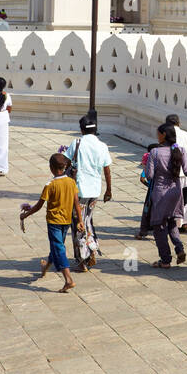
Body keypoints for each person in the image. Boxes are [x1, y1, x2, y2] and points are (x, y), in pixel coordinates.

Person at [19, 153, 83, 294]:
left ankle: (68, 279)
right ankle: (46, 266)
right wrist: (80, 220)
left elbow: (38, 206)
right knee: (57, 245)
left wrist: (26, 214)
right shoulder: (71, 182)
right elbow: (76, 203)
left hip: (53, 222)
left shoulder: (50, 185)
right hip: (66, 221)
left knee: (58, 247)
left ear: (51, 168)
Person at [142, 123, 187, 269]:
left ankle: (165, 259)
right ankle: (179, 248)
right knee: (172, 222)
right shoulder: (180, 150)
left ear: (164, 135)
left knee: (159, 226)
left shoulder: (155, 152)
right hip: (176, 192)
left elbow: (149, 175)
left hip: (161, 193)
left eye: (158, 133)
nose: (157, 136)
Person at [66, 114, 112, 272]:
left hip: (79, 191)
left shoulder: (77, 142)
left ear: (81, 129)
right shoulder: (103, 146)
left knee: (77, 223)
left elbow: (65, 160)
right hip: (95, 190)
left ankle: (82, 259)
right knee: (87, 221)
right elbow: (107, 169)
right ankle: (92, 248)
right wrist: (109, 190)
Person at [165, 114, 187, 231]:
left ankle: (174, 222)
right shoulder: (186, 135)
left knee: (173, 198)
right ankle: (185, 223)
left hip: (171, 171)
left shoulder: (165, 134)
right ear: (178, 123)